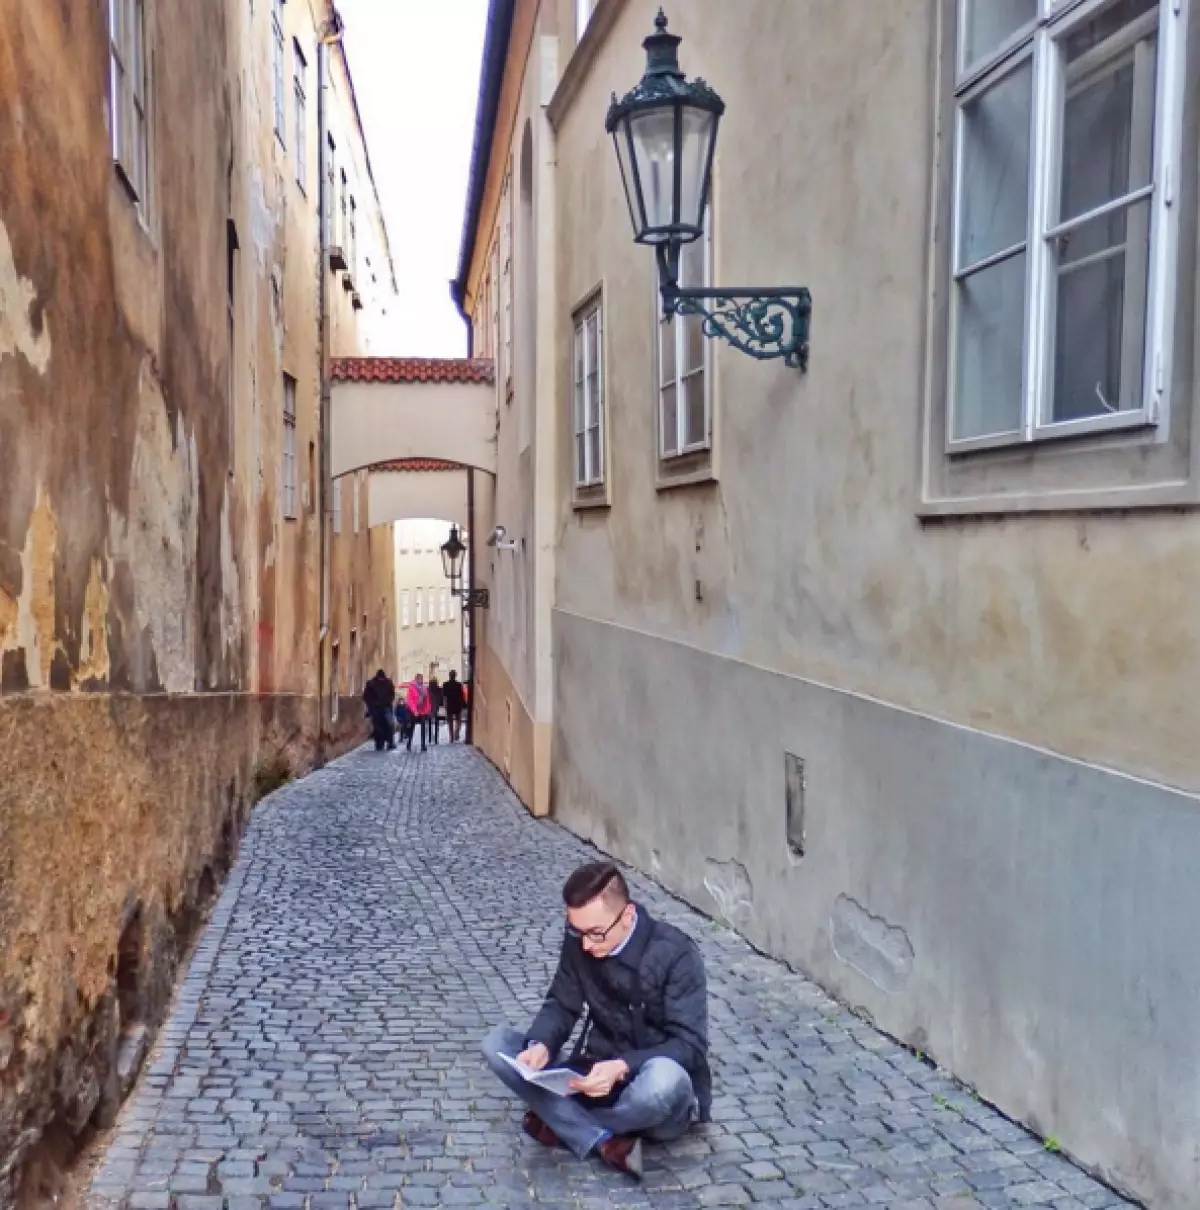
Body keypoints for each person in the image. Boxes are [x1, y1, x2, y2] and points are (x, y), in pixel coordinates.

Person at [481, 862, 710, 1180]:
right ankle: (605, 1140)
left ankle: (565, 1122)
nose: (586, 944)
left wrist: (622, 1067)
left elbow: (691, 1046)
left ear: (627, 916)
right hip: (591, 1074)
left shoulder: (677, 954)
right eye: (577, 931)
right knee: (497, 1044)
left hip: (651, 1090)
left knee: (662, 1082)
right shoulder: (581, 937)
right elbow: (562, 1003)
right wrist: (541, 1045)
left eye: (595, 934)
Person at [361, 669, 396, 751]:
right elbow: (366, 696)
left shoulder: (388, 683)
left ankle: (389, 743)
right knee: (379, 727)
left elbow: (391, 695)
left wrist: (386, 702)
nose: (381, 680)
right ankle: (380, 744)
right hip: (376, 709)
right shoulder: (371, 684)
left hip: (385, 707)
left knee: (388, 725)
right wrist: (373, 704)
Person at [405, 673, 430, 752]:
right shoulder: (411, 688)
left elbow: (427, 700)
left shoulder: (424, 688)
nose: (421, 680)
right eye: (419, 679)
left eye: (421, 679)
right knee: (412, 727)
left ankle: (423, 745)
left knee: (423, 728)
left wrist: (427, 710)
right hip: (413, 711)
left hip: (422, 711)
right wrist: (414, 711)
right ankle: (409, 743)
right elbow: (410, 700)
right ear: (416, 679)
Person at [443, 670, 466, 743]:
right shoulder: (458, 685)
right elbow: (461, 696)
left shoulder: (445, 684)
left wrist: (445, 705)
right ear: (455, 676)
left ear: (449, 676)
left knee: (450, 722)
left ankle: (451, 737)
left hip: (450, 704)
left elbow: (444, 696)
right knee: (458, 721)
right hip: (457, 704)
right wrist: (463, 704)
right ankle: (456, 733)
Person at [428, 675, 444, 745]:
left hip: (429, 709)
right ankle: (436, 739)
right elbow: (441, 699)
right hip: (437, 708)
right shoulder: (439, 689)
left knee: (429, 724)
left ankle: (430, 738)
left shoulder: (428, 689)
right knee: (436, 724)